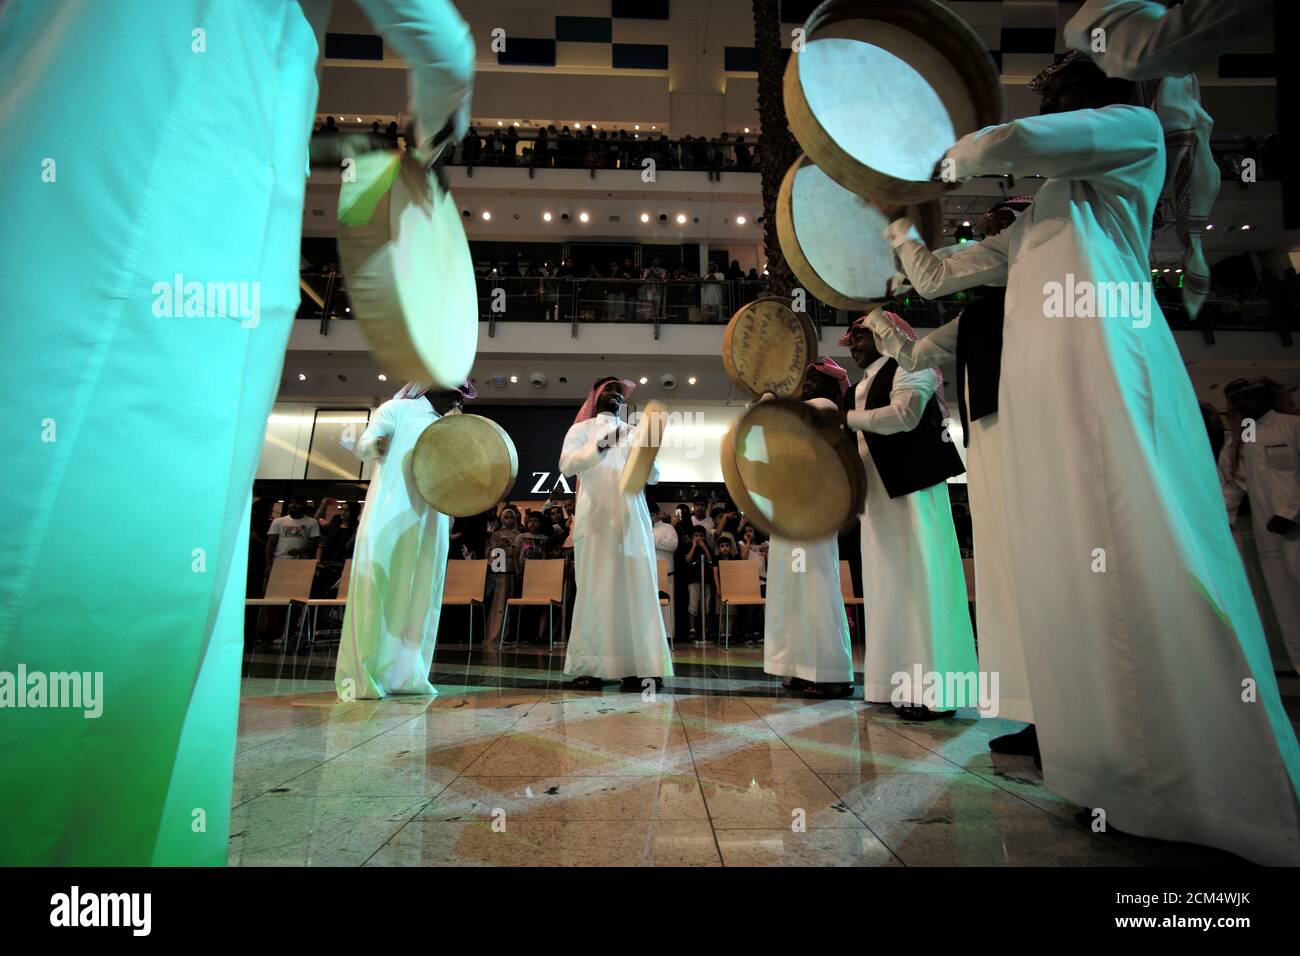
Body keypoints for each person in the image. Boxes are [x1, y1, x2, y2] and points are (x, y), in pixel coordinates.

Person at [0, 0, 474, 866]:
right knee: (140, 527)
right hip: (195, 140)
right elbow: (432, 32)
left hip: (50, 122)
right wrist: (444, 98)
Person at [928, 52, 1299, 864]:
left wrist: (927, 144)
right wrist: (893, 222)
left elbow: (1002, 144)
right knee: (1075, 564)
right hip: (1049, 390)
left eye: (1061, 81)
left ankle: (1200, 788)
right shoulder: (1052, 200)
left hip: (1104, 369)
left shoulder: (1130, 133)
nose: (1050, 88)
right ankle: (1117, 777)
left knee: (1139, 545)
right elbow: (941, 275)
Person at [865, 196, 1038, 753]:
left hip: (1030, 428)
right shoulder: (978, 319)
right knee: (1009, 569)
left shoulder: (1039, 299)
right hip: (987, 438)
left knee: (1038, 562)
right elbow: (914, 356)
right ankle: (1036, 713)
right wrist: (879, 322)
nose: (984, 236)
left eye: (995, 227)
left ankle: (1061, 714)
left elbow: (934, 275)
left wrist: (897, 225)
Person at [841, 314, 974, 720]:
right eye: (852, 338)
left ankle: (936, 692)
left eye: (863, 335)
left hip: (915, 490)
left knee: (923, 580)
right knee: (886, 585)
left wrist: (845, 419)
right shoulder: (856, 390)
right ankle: (890, 681)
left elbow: (906, 416)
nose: (855, 344)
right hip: (877, 498)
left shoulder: (911, 365)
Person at [334, 380, 474, 700]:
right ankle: (363, 676)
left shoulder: (451, 425)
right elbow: (364, 443)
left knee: (422, 595)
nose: (459, 396)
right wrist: (375, 446)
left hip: (433, 520)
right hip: (390, 514)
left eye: (462, 392)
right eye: (455, 389)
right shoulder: (397, 409)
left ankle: (408, 676)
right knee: (378, 591)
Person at [559, 378, 673, 690]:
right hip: (595, 520)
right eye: (611, 390)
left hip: (632, 520)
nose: (617, 396)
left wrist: (647, 452)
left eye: (621, 394)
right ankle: (590, 668)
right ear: (595, 397)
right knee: (595, 590)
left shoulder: (634, 432)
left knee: (636, 589)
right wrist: (598, 445)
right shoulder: (580, 431)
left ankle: (641, 669)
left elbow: (653, 476)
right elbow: (566, 465)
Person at [762, 360, 856, 698]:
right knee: (789, 588)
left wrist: (771, 398)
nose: (808, 383)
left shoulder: (825, 406)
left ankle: (831, 672)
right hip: (790, 508)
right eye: (807, 378)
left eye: (816, 378)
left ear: (832, 385)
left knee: (815, 586)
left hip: (815, 509)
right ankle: (799, 668)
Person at [1221, 378, 1300, 674]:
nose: (1244, 404)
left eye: (1250, 396)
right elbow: (1235, 484)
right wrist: (1222, 521)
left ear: (1266, 395)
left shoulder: (1291, 426)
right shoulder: (1242, 439)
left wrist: (1291, 512)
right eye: (1238, 399)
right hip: (1268, 534)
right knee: (1286, 608)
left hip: (1294, 527)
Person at [485, 506, 521, 643]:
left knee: (512, 606)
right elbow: (494, 553)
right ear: (502, 519)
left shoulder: (519, 534)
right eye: (506, 517)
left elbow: (518, 553)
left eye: (512, 517)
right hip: (500, 574)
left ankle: (510, 634)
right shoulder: (497, 534)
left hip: (513, 573)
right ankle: (496, 634)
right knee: (499, 603)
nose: (509, 520)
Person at [266, 496, 321, 567]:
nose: (293, 505)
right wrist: (268, 565)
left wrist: (299, 551)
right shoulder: (278, 521)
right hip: (280, 561)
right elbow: (270, 544)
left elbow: (314, 543)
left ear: (304, 506)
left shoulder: (312, 522)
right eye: (291, 503)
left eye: (297, 503)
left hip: (301, 563)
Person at [652, 509, 679, 642]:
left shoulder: (668, 528)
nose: (651, 517)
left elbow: (673, 545)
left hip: (666, 572)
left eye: (652, 514)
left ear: (657, 514)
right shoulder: (642, 526)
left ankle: (668, 634)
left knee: (667, 604)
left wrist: (654, 540)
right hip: (648, 573)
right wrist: (660, 541)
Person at [684, 526, 715, 641]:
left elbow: (711, 559)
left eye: (701, 536)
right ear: (692, 537)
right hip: (693, 580)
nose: (699, 538)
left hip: (706, 580)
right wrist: (693, 546)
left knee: (706, 605)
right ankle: (692, 629)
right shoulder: (689, 546)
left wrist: (704, 547)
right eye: (696, 536)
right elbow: (687, 559)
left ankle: (706, 628)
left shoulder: (706, 547)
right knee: (693, 604)